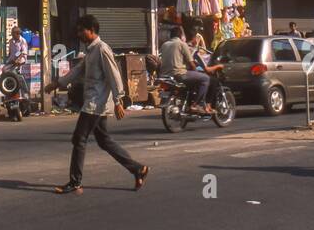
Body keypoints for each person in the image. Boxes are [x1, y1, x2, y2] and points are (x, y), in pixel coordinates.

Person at [46, 14, 148, 195]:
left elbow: (114, 75)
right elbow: (78, 70)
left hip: (95, 103)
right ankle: (137, 169)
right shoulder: (91, 51)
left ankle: (75, 182)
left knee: (79, 139)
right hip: (95, 102)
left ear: (91, 30)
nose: (79, 34)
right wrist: (58, 83)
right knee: (104, 141)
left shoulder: (102, 49)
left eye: (81, 30)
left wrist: (119, 100)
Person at [159, 26, 209, 113]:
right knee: (205, 78)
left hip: (166, 76)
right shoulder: (182, 44)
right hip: (179, 74)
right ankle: (195, 105)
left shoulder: (164, 45)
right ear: (181, 35)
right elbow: (191, 63)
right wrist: (195, 71)